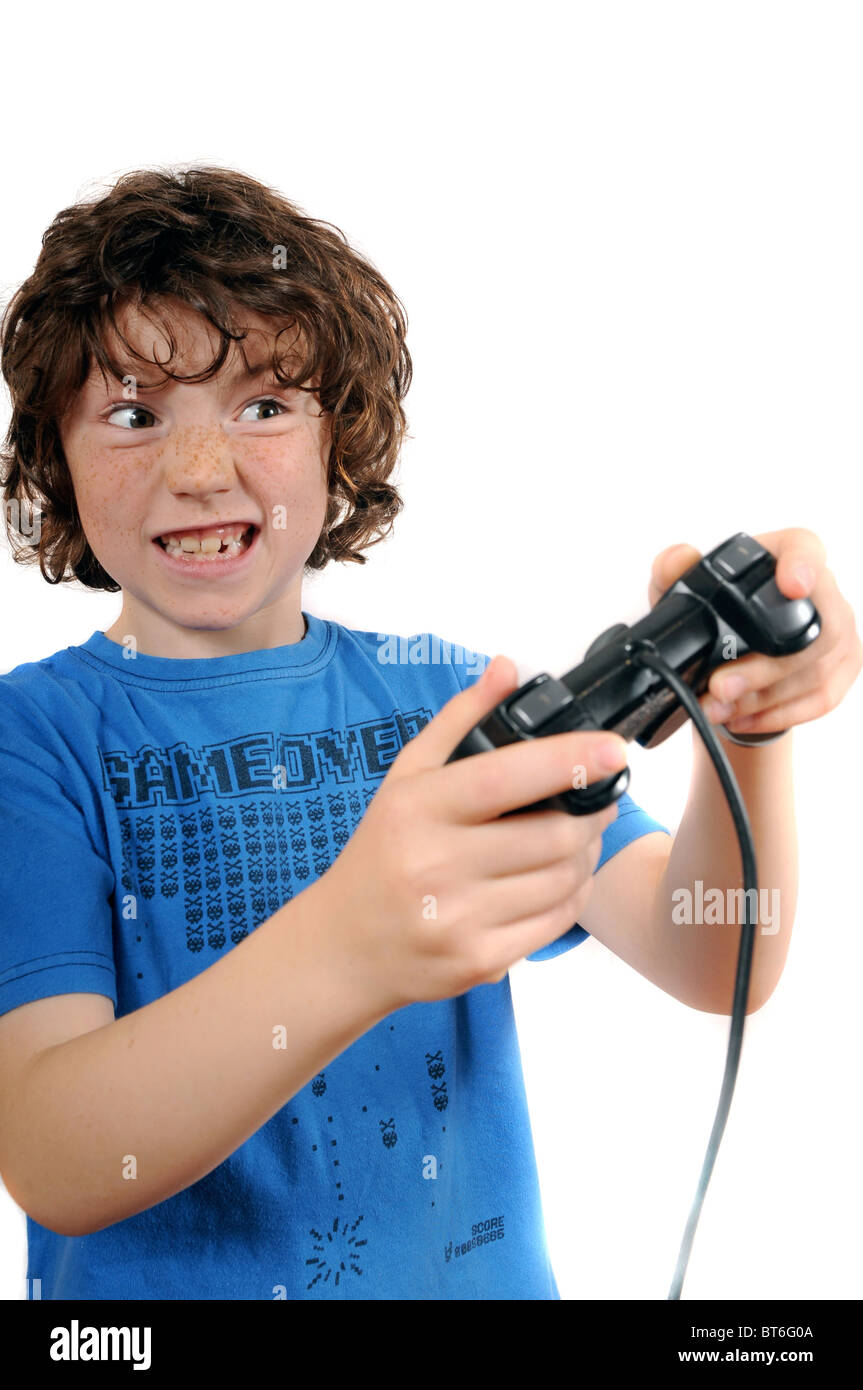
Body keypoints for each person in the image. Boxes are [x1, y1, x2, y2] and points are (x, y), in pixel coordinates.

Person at [0, 167, 859, 1301]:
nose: (199, 471)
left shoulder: (438, 702)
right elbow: (56, 1156)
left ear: (335, 436)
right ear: (53, 452)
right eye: (132, 412)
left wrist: (745, 723)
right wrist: (353, 941)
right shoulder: (35, 740)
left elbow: (712, 949)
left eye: (263, 404)